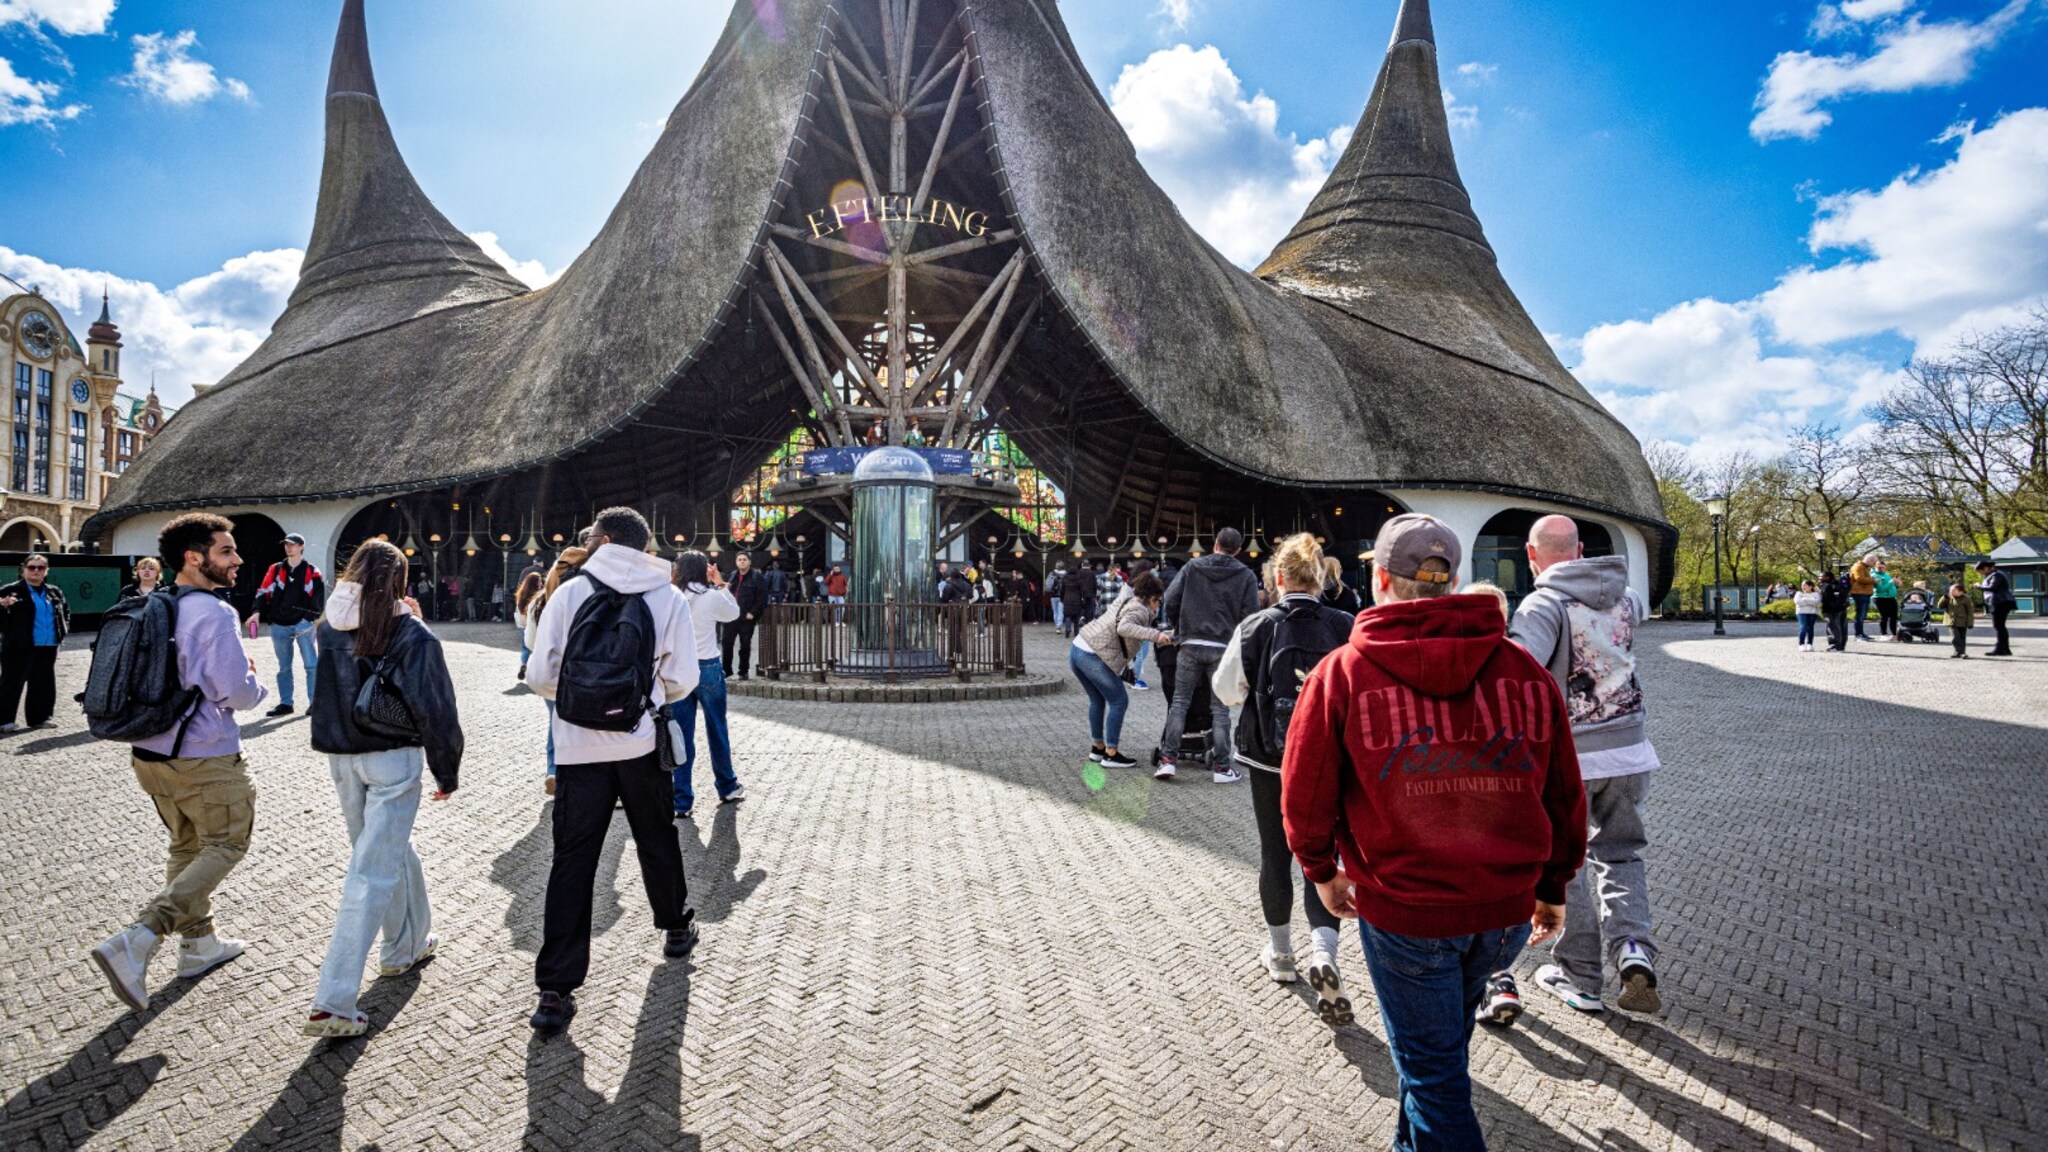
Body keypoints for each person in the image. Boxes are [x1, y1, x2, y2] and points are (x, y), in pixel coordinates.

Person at [1282, 514, 1585, 1147]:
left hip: (1408, 914)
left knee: (1435, 1076)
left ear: (1382, 579)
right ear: (1449, 583)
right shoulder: (1525, 673)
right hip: (1502, 914)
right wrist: (1553, 884)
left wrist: (1321, 872)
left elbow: (1304, 797)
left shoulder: (1340, 676)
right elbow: (1563, 793)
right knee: (1437, 1058)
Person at [526, 507, 700, 1031]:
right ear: (644, 547)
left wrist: (584, 702)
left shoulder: (569, 593)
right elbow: (682, 678)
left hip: (577, 750)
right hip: (640, 742)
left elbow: (539, 674)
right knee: (656, 836)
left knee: (574, 859)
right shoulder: (667, 596)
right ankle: (674, 927)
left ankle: (555, 991)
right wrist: (636, 702)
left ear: (601, 541)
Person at [1485, 514, 1662, 1026]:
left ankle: (1581, 978)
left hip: (1574, 756)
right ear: (1580, 548)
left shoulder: (1544, 603)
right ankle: (1633, 948)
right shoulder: (1626, 597)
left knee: (1570, 862)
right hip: (1630, 747)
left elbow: (1521, 673)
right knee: (1621, 853)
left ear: (1531, 554)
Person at [88, 514, 268, 1010]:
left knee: (186, 846)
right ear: (195, 558)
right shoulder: (213, 613)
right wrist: (258, 683)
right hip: (203, 756)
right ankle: (142, 936)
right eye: (227, 551)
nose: (237, 559)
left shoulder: (155, 604)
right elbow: (234, 691)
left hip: (150, 754)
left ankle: (199, 944)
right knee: (227, 843)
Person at [302, 540, 462, 1037]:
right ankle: (333, 999)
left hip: (342, 756)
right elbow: (436, 706)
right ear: (400, 580)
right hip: (392, 756)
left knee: (385, 851)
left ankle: (405, 945)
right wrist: (447, 770)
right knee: (370, 871)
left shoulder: (328, 626)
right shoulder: (409, 632)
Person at [1212, 534, 1354, 1024]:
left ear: (1277, 578)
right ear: (1321, 579)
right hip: (1331, 762)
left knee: (1276, 855)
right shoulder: (1345, 626)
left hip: (1270, 758)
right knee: (1326, 856)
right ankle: (1325, 952)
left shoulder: (1256, 626)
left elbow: (1228, 690)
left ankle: (1281, 954)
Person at [1157, 527, 1261, 784]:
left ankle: (1168, 761)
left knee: (1180, 703)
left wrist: (1179, 627)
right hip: (1222, 649)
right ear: (1238, 550)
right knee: (1220, 709)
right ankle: (1222, 768)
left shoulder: (1193, 568)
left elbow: (1170, 598)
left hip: (1190, 644)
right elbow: (1251, 617)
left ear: (1215, 544)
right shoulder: (1246, 575)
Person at [1069, 571, 1171, 769]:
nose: (1159, 605)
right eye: (1158, 601)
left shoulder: (1127, 597)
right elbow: (1124, 627)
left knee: (1097, 700)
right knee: (1119, 700)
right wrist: (1155, 635)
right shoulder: (1140, 610)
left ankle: (1098, 748)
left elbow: (1126, 586)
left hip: (1077, 649)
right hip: (1092, 654)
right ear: (1151, 599)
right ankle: (1111, 754)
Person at [669, 550, 744, 821]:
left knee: (681, 734)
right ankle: (726, 786)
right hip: (708, 667)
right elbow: (733, 614)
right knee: (717, 728)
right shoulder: (711, 596)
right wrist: (720, 582)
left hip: (679, 668)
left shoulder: (671, 596)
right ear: (704, 570)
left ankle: (681, 800)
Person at [524, 548, 589, 797]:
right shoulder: (593, 596)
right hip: (586, 672)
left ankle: (554, 769)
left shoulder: (540, 602)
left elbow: (531, 643)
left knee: (556, 722)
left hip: (552, 671)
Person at [246, 533, 326, 717]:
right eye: (286, 544)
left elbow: (319, 599)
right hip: (279, 624)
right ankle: (286, 703)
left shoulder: (312, 572)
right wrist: (256, 612)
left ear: (301, 547)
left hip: (302, 624)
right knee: (284, 666)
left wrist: (307, 618)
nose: (288, 547)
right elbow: (263, 591)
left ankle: (315, 703)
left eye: (292, 544)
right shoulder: (275, 570)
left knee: (311, 665)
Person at [0, 554, 70, 732]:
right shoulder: (9, 590)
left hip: (48, 645)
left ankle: (40, 718)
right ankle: (4, 720)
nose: (36, 571)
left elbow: (65, 611)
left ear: (47, 571)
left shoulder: (54, 591)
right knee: (12, 683)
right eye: (32, 567)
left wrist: (63, 630)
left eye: (41, 567)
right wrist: (2, 606)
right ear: (23, 569)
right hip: (18, 645)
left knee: (43, 682)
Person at [723, 552, 768, 680]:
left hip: (746, 618)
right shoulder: (731, 576)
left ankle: (743, 671)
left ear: (749, 562)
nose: (742, 561)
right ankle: (726, 670)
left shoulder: (757, 577)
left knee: (745, 645)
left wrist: (753, 613)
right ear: (736, 562)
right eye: (739, 559)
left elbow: (763, 598)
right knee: (727, 645)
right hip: (730, 616)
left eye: (744, 559)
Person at [1977, 560, 2015, 656]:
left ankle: (2000, 649)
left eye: (1981, 571)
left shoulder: (1996, 575)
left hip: (2001, 602)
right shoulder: (1994, 574)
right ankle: (2005, 649)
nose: (1981, 573)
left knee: (1999, 626)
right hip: (2000, 602)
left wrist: (1979, 586)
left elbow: (1993, 587)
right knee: (2000, 626)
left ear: (1985, 568)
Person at [512, 570, 545, 680]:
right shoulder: (537, 596)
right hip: (532, 624)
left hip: (521, 624)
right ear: (536, 583)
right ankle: (536, 670)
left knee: (525, 647)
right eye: (540, 581)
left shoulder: (521, 593)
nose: (541, 583)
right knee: (537, 648)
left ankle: (524, 665)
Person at [1938, 581, 1976, 658]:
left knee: (1962, 637)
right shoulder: (1948, 598)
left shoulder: (1966, 599)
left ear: (1961, 592)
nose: (1951, 592)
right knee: (1955, 637)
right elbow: (1940, 606)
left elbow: (1970, 612)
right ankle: (1961, 652)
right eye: (1950, 590)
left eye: (1954, 590)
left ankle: (1959, 652)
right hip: (1951, 621)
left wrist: (1970, 623)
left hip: (1962, 621)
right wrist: (1945, 597)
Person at [1060, 560, 1096, 638]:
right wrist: (1082, 597)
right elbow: (1082, 590)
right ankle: (1076, 632)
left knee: (1067, 615)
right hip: (1077, 599)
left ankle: (1068, 628)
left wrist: (1062, 598)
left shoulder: (1065, 579)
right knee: (1076, 616)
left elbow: (1062, 590)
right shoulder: (1079, 579)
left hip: (1067, 599)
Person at [1847, 553, 1877, 642]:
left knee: (1862, 615)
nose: (1874, 565)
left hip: (1864, 593)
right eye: (1874, 562)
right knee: (1860, 615)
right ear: (1869, 560)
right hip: (1859, 593)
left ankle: (1861, 633)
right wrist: (1873, 580)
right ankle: (1858, 634)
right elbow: (1859, 578)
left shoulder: (1864, 567)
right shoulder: (1858, 566)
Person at [1820, 568, 1850, 652]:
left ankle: (1835, 645)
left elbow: (1826, 599)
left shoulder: (1827, 586)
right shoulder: (1840, 585)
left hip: (1832, 610)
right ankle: (1842, 645)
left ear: (1828, 577)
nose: (1820, 578)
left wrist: (1824, 610)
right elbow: (1846, 596)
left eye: (1822, 576)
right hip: (1842, 609)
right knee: (1842, 627)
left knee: (1833, 627)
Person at [1872, 562, 1900, 640]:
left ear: (1885, 567)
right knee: (1884, 616)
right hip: (1880, 598)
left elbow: (1892, 587)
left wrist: (1897, 585)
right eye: (1879, 567)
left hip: (1891, 597)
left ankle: (1894, 634)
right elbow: (1881, 589)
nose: (1881, 569)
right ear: (1875, 567)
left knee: (1894, 617)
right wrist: (1891, 583)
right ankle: (1883, 634)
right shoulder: (1875, 576)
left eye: (1882, 567)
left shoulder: (1887, 575)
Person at [1794, 580, 1822, 651]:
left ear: (1810, 586)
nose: (1803, 587)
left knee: (1810, 628)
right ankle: (1801, 644)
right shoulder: (1799, 593)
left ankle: (1810, 644)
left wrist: (1804, 600)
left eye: (1805, 585)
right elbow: (1797, 602)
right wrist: (1811, 601)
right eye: (1802, 585)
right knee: (1803, 627)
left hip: (1812, 613)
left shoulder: (1816, 594)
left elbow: (1816, 602)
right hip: (1801, 612)